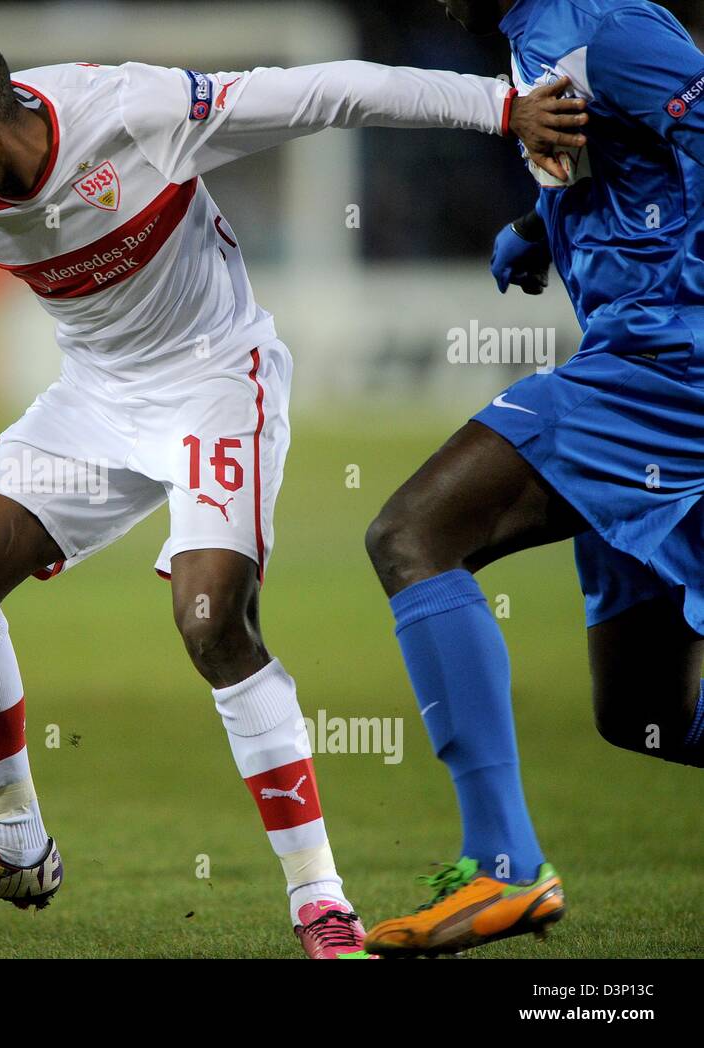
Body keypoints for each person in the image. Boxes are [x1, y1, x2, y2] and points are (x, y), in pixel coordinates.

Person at [0, 26, 583, 958]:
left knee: (211, 617)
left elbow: (330, 91)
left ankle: (319, 898)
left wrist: (502, 108)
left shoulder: (137, 115)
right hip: (94, 399)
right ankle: (13, 845)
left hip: (218, 383)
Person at [364, 0, 704, 957]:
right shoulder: (530, 35)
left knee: (413, 534)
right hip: (639, 371)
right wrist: (540, 225)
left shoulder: (614, 25)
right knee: (644, 715)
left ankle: (503, 870)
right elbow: (640, 158)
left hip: (663, 373)